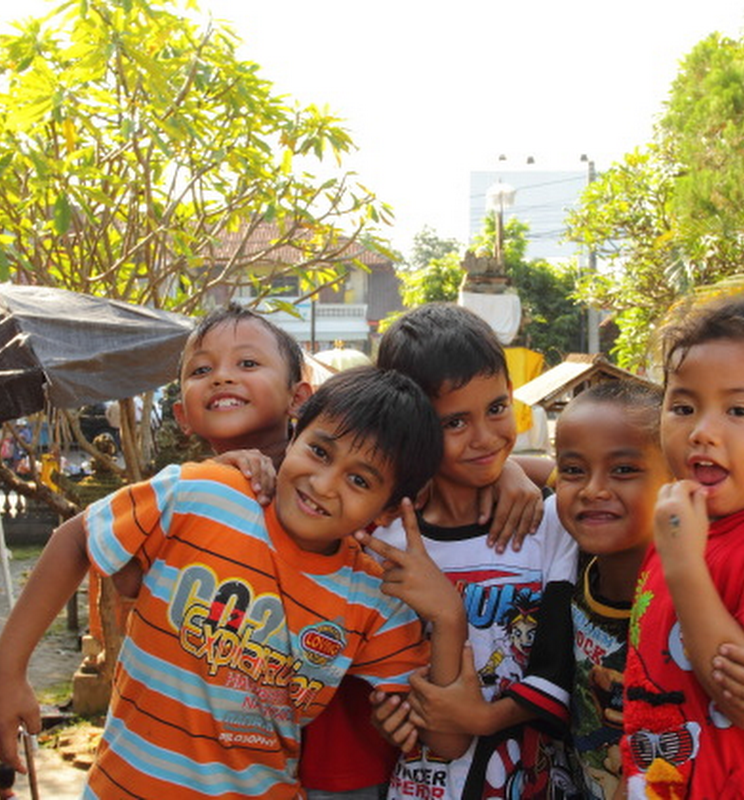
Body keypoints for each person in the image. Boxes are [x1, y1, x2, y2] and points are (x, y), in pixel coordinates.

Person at [0, 365, 470, 798]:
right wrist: (8, 672)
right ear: (294, 435)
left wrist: (448, 616)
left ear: (389, 510)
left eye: (360, 481)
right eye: (319, 452)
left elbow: (445, 741)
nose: (324, 484)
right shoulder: (203, 494)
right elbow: (75, 540)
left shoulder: (373, 597)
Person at [364, 303, 578, 799]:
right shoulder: (387, 544)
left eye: (498, 408)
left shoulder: (549, 523)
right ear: (412, 425)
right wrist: (388, 715)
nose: (486, 438)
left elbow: (559, 665)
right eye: (455, 422)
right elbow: (391, 695)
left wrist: (518, 470)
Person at [621, 295, 744, 797]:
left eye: (739, 409)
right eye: (683, 407)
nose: (702, 431)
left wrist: (683, 566)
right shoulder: (682, 523)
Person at [553, 380, 671, 799]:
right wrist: (510, 470)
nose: (593, 489)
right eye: (574, 470)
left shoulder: (690, 600)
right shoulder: (572, 558)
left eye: (623, 470)